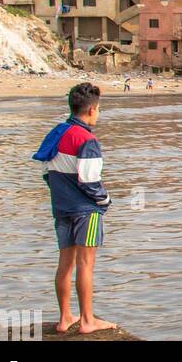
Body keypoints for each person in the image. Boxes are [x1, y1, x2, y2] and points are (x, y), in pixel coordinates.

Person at [31, 83, 116, 335]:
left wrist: (62, 193)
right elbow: (90, 181)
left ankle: (64, 317)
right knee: (86, 264)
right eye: (98, 109)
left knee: (65, 264)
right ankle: (88, 320)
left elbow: (46, 172)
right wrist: (105, 200)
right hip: (85, 211)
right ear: (92, 110)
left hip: (61, 208)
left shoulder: (57, 133)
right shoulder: (87, 140)